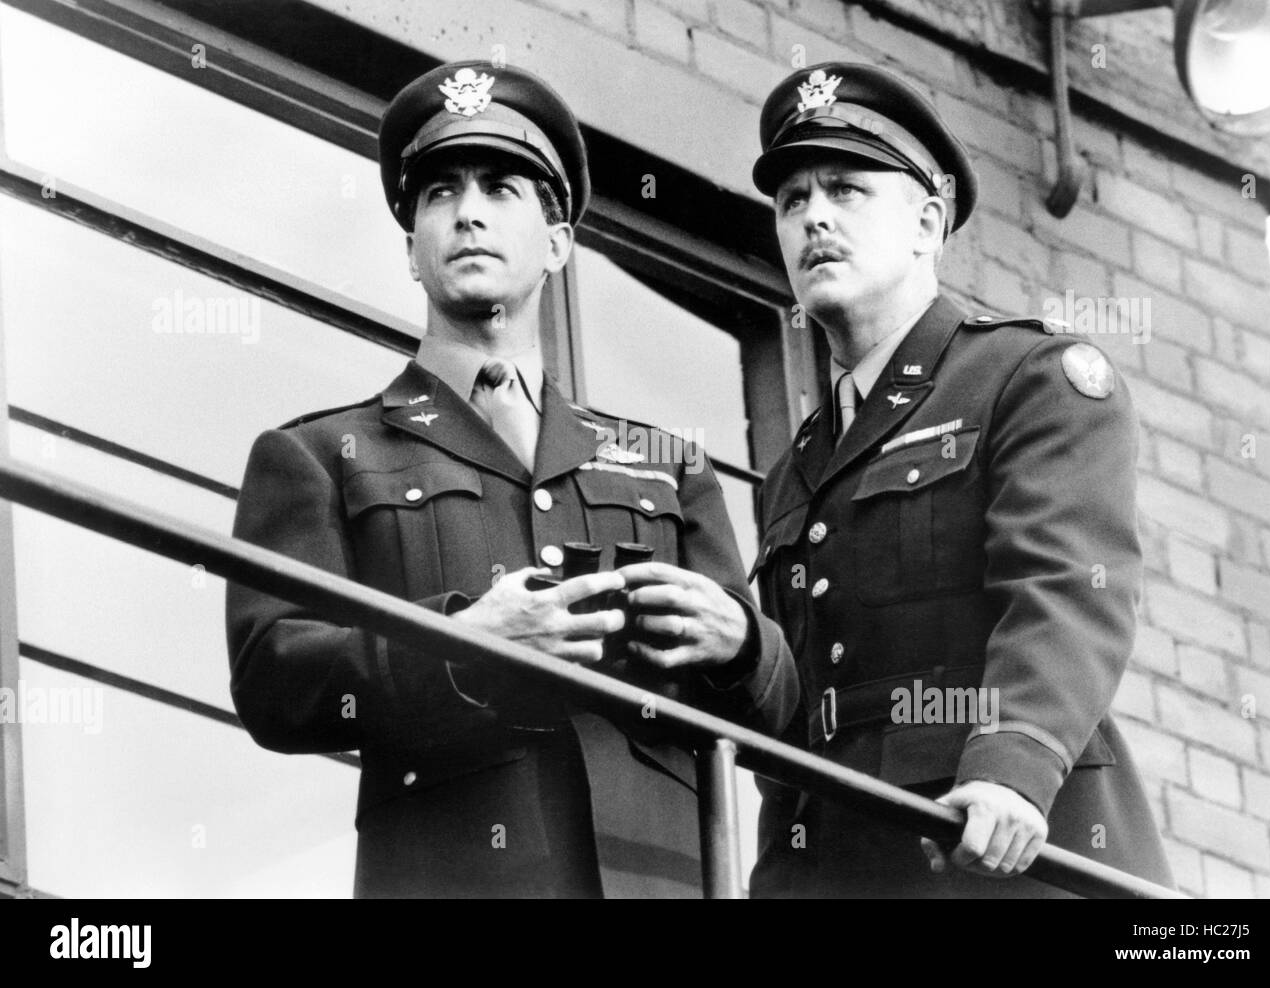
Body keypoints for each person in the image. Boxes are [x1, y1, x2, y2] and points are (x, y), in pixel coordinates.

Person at [226, 61, 797, 898]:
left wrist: (745, 646)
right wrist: (463, 648)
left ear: (559, 244)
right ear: (411, 252)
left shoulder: (671, 467)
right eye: (440, 194)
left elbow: (778, 717)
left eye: (501, 189)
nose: (467, 214)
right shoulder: (319, 454)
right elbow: (275, 683)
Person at [745, 62, 1173, 897]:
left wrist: (1015, 766)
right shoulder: (793, 469)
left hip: (1002, 850)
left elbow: (1067, 591)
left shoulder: (1029, 376)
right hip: (843, 861)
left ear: (928, 222)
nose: (815, 218)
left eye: (845, 188)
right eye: (793, 202)